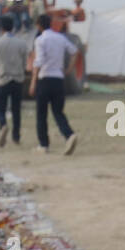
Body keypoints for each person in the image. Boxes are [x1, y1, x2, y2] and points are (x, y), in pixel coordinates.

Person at [30, 11, 78, 155]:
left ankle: (43, 145)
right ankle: (69, 135)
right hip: (58, 79)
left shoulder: (40, 40)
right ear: (50, 24)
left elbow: (38, 62)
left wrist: (33, 82)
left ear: (38, 26)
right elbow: (75, 51)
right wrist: (69, 68)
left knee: (41, 114)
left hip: (44, 79)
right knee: (58, 112)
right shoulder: (60, 38)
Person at [0, 13, 27, 147]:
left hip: (2, 79)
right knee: (16, 110)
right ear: (13, 27)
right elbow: (24, 63)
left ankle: (3, 125)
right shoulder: (21, 43)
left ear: (1, 28)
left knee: (1, 109)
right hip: (17, 80)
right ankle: (16, 137)